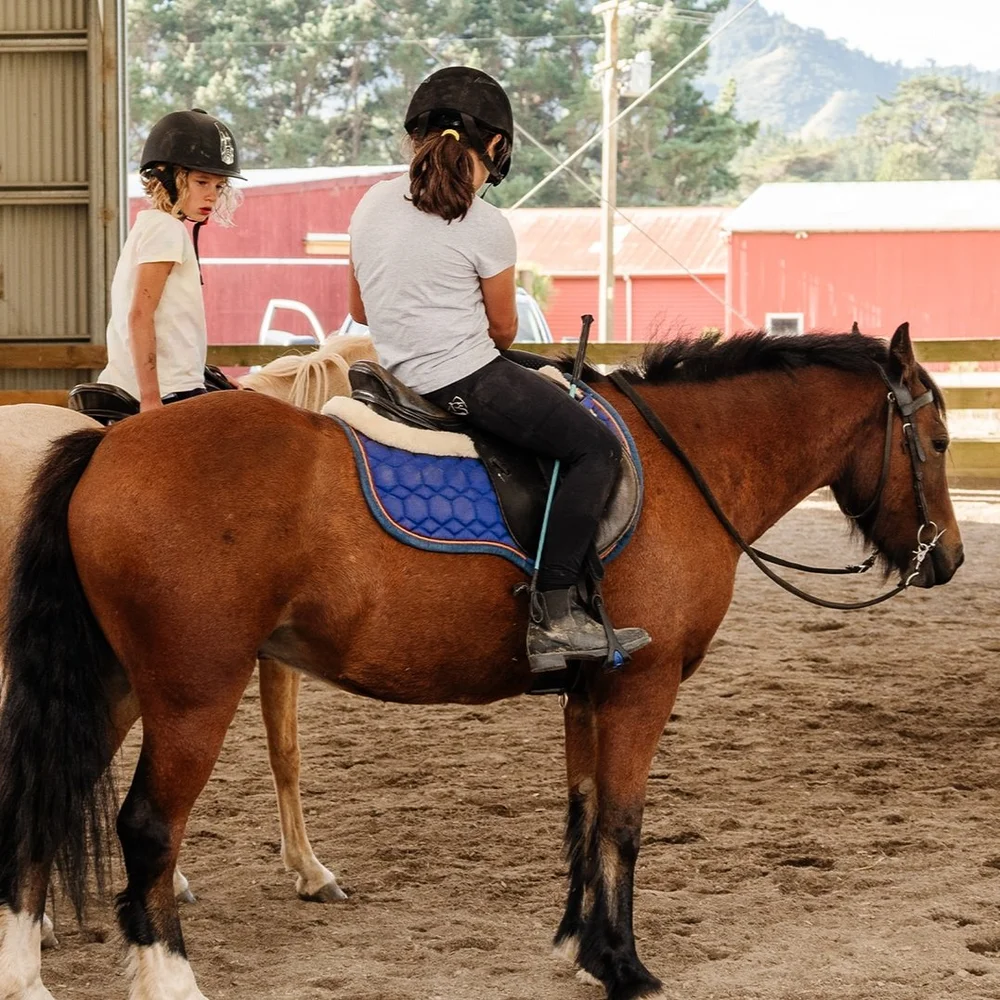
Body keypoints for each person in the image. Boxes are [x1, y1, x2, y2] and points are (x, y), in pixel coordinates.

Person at [347, 66, 650, 672]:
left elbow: (358, 308)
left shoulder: (372, 201)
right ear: (496, 147)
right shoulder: (486, 224)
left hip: (397, 368)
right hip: (464, 376)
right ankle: (556, 616)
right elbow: (503, 330)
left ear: (416, 138)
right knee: (594, 449)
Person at [99, 109, 244, 412]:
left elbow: (172, 326)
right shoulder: (166, 229)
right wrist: (151, 399)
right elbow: (140, 314)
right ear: (170, 178)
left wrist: (208, 375)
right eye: (202, 182)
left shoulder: (154, 224)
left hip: (172, 382)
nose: (212, 197)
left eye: (218, 186)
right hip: (166, 392)